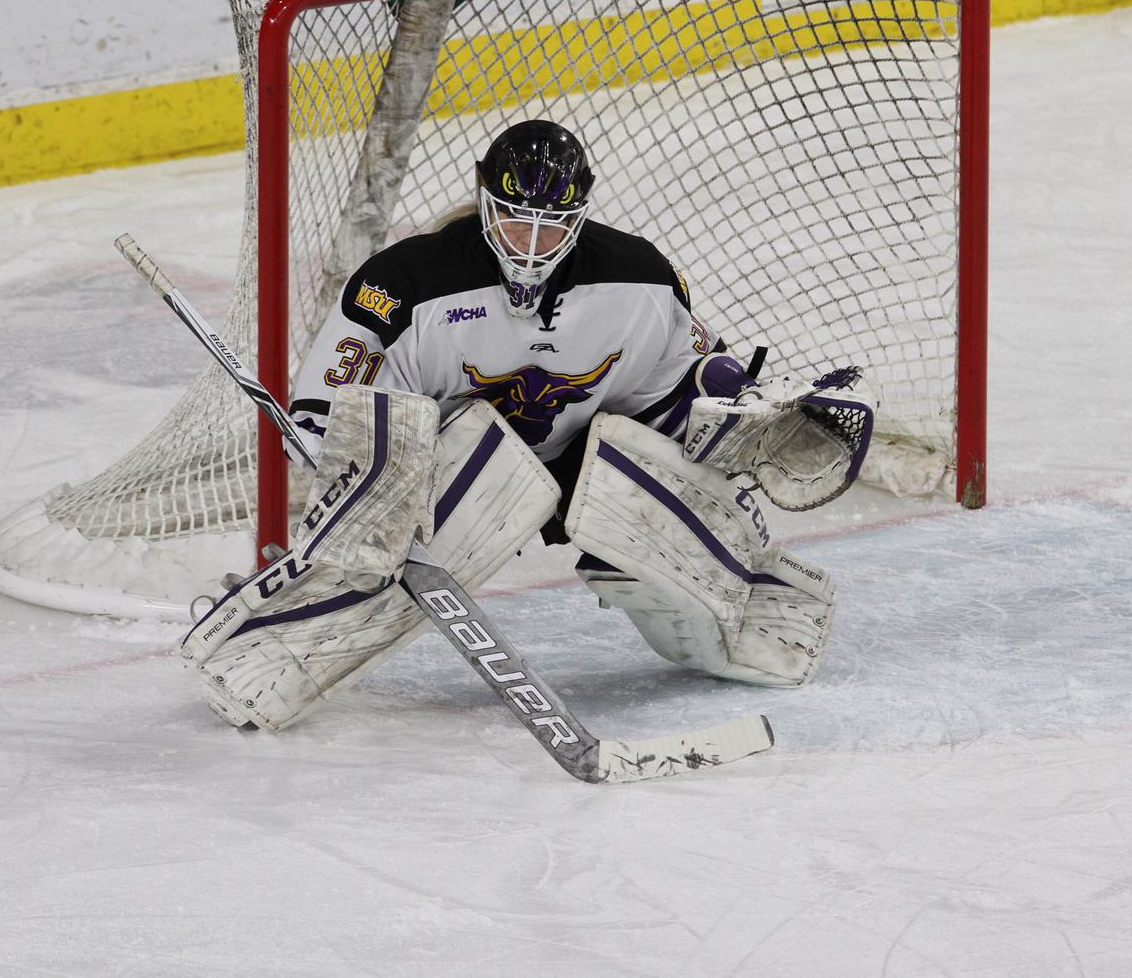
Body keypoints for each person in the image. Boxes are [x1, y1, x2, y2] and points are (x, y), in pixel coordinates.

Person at [179, 120, 874, 731]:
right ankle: (265, 648)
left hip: (576, 461)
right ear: (482, 195)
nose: (532, 242)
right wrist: (340, 454)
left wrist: (742, 408)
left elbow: (685, 385)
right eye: (515, 218)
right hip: (448, 473)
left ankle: (754, 618)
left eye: (552, 224)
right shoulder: (405, 281)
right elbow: (334, 406)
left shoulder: (638, 278)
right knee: (439, 500)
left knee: (637, 479)